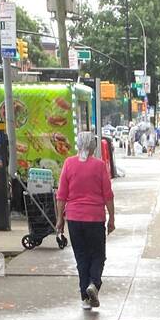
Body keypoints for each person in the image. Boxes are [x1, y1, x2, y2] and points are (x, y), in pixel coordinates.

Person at [54, 130, 115, 310]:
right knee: (98, 255)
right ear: (93, 145)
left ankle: (85, 298)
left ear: (78, 145)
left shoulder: (69, 163)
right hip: (95, 218)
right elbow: (108, 195)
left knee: (81, 257)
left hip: (73, 218)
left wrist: (60, 219)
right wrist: (112, 217)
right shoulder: (99, 166)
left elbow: (61, 195)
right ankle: (94, 284)